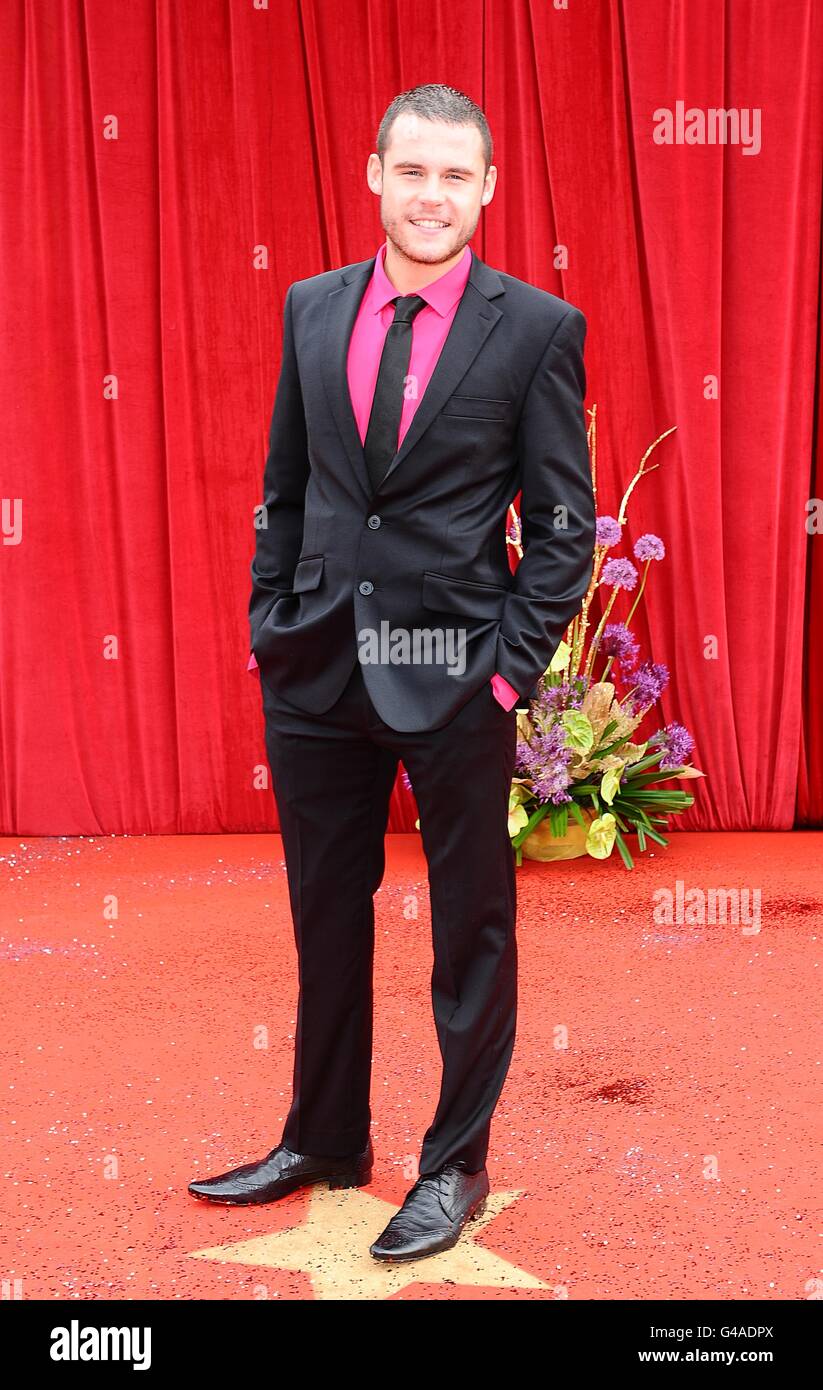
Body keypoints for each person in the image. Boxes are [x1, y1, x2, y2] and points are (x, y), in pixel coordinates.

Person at [189, 83, 596, 1263]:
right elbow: (286, 482)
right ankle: (322, 1136)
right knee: (325, 917)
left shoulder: (534, 329)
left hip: (457, 673)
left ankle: (454, 1163)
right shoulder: (310, 309)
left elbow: (563, 525)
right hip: (314, 674)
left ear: (486, 191)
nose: (432, 196)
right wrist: (275, 619)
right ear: (374, 174)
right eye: (411, 171)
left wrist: (507, 675)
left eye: (454, 177)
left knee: (469, 932)